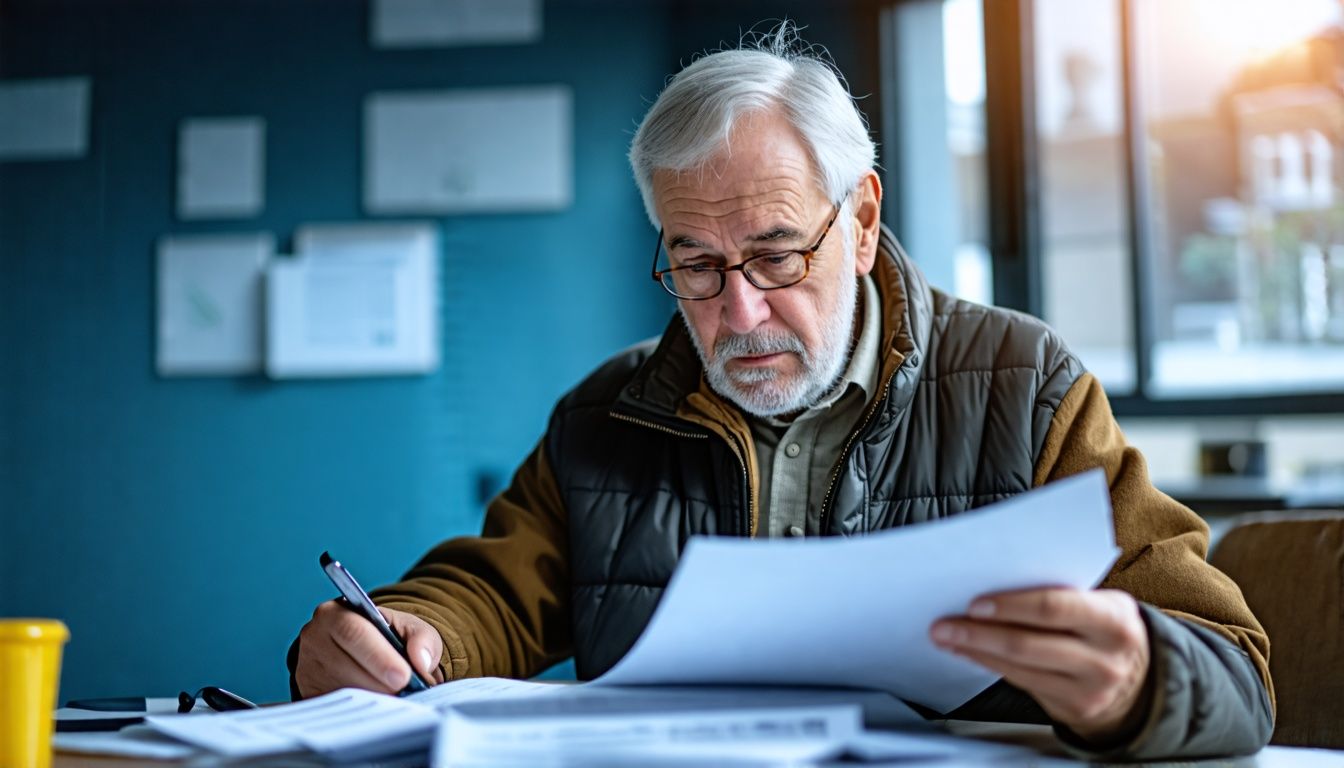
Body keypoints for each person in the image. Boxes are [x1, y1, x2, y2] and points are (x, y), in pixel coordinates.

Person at [290, 27, 1273, 760]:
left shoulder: (1026, 388)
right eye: (697, 267)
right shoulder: (607, 414)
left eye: (774, 255)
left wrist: (1140, 682)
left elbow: (1234, 669)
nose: (740, 312)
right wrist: (403, 636)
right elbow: (490, 597)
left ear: (860, 219)